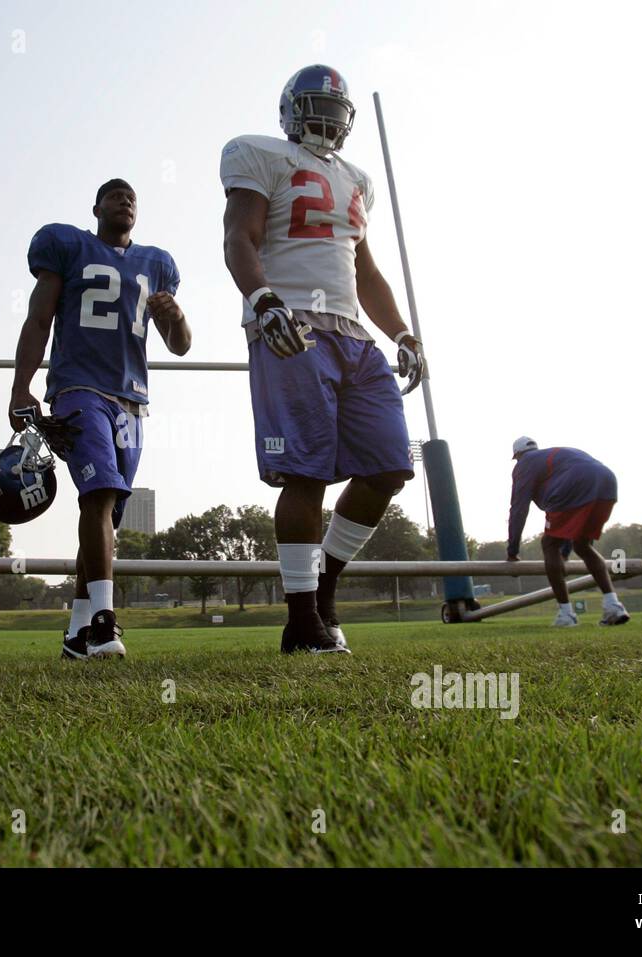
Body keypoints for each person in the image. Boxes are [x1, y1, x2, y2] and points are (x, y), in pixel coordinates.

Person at [220, 65, 424, 654]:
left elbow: (366, 271)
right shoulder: (260, 154)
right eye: (317, 107)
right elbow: (239, 237)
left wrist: (402, 332)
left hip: (354, 334)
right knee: (306, 473)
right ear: (289, 108)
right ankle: (302, 619)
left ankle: (325, 588)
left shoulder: (357, 178)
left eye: (338, 110)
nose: (329, 120)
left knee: (388, 467)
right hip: (291, 325)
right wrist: (263, 301)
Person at [9, 180, 189, 661]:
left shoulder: (157, 265)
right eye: (113, 195)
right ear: (96, 208)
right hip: (77, 389)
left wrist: (175, 316)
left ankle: (76, 633)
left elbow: (181, 344)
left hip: (131, 400)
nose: (124, 199)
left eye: (131, 195)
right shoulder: (68, 246)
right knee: (100, 492)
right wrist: (20, 387)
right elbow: (38, 318)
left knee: (105, 513)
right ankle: (105, 623)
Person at [506, 436, 631, 626]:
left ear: (517, 456)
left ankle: (566, 614)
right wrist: (565, 553)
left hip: (573, 484)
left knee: (549, 544)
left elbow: (518, 508)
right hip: (607, 481)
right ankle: (613, 605)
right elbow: (571, 524)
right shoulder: (555, 456)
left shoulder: (525, 464)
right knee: (582, 544)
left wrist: (512, 552)